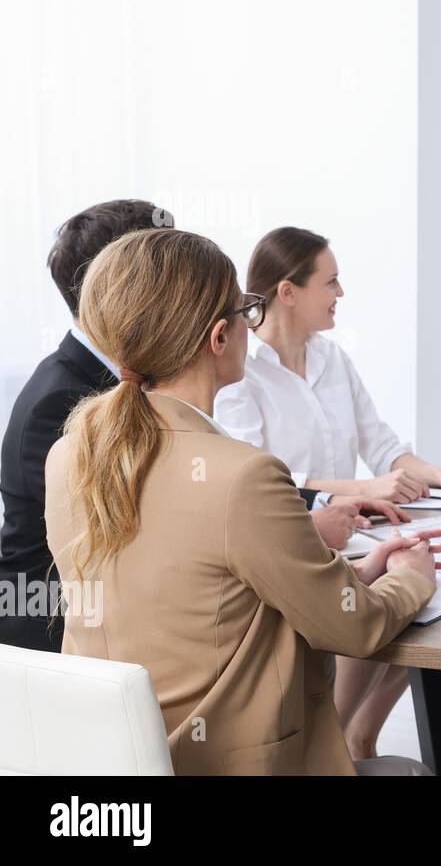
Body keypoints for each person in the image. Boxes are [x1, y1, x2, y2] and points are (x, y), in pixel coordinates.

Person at [45, 228, 441, 775]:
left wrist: (348, 570)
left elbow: (201, 597)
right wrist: (412, 575)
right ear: (219, 337)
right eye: (245, 311)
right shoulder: (244, 476)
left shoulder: (71, 457)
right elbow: (352, 629)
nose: (249, 326)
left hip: (109, 775)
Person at [0, 202, 404, 655]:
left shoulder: (105, 420)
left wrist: (306, 541)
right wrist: (395, 573)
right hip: (54, 639)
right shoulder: (63, 406)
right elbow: (169, 540)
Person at [214, 225, 441, 760]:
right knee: (391, 601)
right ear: (288, 292)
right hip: (300, 539)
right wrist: (365, 486)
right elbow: (265, 478)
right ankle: (331, 744)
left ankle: (358, 736)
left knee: (428, 590)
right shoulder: (240, 373)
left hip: (358, 529)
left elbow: (383, 446)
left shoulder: (333, 358)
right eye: (331, 282)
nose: (341, 294)